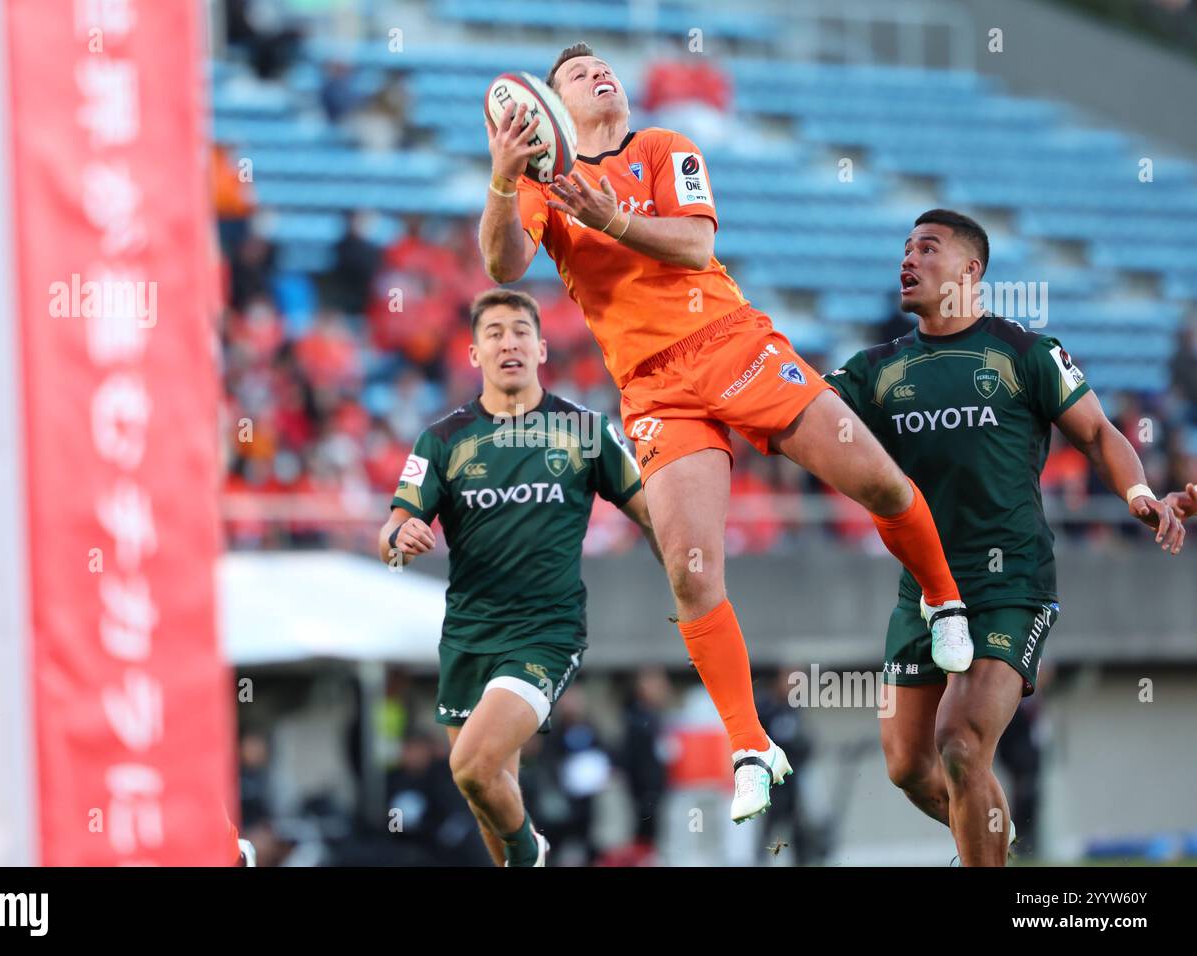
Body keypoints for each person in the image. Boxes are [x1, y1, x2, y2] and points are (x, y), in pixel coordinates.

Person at [479, 42, 974, 823]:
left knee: (878, 480)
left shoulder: (664, 148)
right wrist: (505, 177)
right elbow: (504, 265)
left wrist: (611, 216)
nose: (599, 73)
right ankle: (751, 746)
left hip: (732, 345)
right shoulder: (546, 186)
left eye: (604, 66)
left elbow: (697, 244)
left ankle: (946, 601)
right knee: (690, 571)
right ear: (553, 109)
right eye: (577, 73)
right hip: (654, 389)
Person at [825, 208, 1187, 866]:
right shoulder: (875, 370)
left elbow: (1101, 434)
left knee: (960, 744)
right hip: (926, 594)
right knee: (909, 766)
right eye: (904, 248)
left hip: (1011, 582)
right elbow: (801, 412)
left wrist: (1137, 493)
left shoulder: (1025, 353)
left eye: (927, 249)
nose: (907, 260)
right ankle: (992, 831)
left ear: (970, 271)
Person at [378, 288, 661, 866]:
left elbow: (656, 515)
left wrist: (693, 584)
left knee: (472, 766)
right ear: (474, 354)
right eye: (494, 333)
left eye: (520, 331)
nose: (509, 341)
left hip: (545, 635)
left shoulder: (585, 431)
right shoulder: (443, 439)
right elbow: (389, 531)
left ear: (542, 347)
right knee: (487, 791)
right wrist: (399, 540)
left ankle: (531, 853)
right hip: (466, 638)